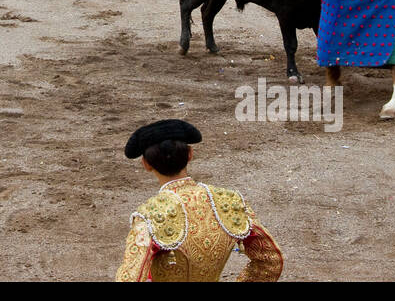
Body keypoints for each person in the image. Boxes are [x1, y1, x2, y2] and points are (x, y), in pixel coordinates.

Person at [116, 119, 283, 283]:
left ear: (146, 164)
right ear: (190, 154)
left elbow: (130, 277)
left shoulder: (149, 217)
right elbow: (270, 260)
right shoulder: (228, 202)